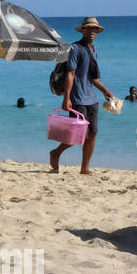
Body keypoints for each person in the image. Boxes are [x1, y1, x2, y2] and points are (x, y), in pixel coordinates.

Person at [50, 17, 115, 175]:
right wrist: (67, 98)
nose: (92, 31)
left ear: (97, 32)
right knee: (78, 133)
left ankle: (84, 168)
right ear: (83, 30)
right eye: (88, 28)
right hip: (77, 98)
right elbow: (70, 74)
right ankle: (56, 153)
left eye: (95, 29)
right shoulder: (75, 48)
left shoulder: (93, 51)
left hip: (92, 99)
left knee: (92, 133)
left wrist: (105, 91)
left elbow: (92, 78)